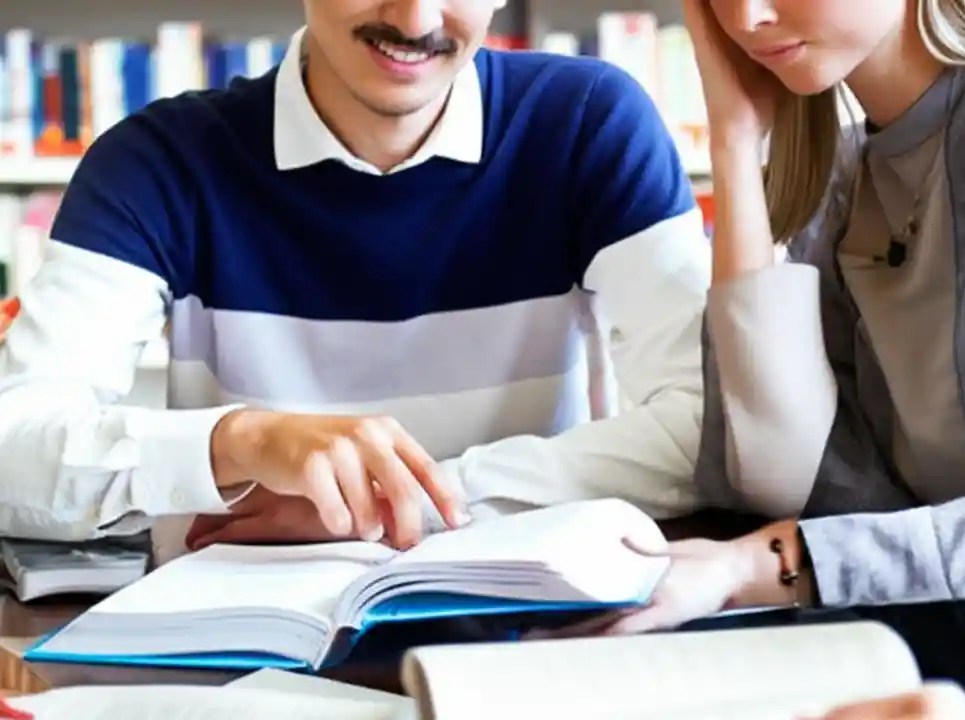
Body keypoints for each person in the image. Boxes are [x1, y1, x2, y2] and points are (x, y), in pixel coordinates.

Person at [0, 0, 710, 562]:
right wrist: (242, 443)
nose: (415, 19)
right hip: (237, 644)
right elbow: (13, 452)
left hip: (519, 626)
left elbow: (706, 428)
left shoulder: (586, 123)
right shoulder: (157, 162)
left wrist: (408, 500)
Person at [566, 0, 965, 715]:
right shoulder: (848, 171)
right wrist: (733, 138)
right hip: (938, 650)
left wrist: (760, 567)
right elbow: (779, 476)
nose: (748, 17)